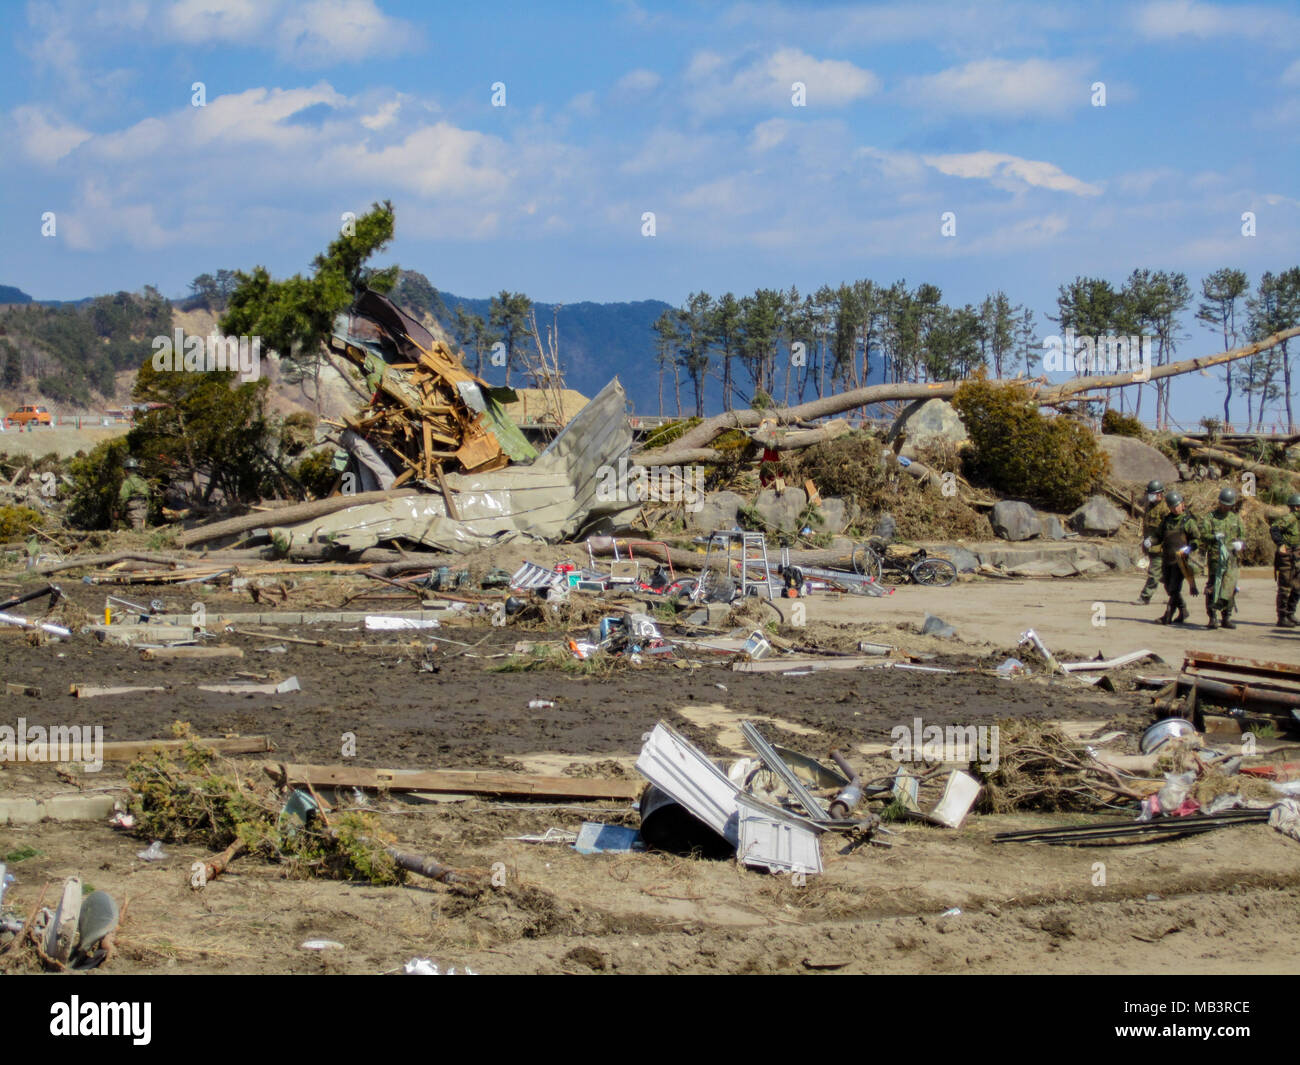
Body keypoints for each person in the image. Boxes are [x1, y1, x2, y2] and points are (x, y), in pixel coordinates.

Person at [1199, 485, 1245, 629]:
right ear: (1219, 502)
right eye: (1224, 504)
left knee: (1229, 588)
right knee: (1213, 587)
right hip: (1215, 558)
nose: (1226, 507)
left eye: (1229, 505)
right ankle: (1212, 617)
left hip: (1231, 558)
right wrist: (1213, 537)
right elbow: (1203, 536)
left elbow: (1242, 536)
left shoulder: (1235, 519)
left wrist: (1240, 544)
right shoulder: (1210, 518)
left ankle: (1226, 617)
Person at [1154, 490, 1199, 625]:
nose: (1175, 508)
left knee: (1174, 589)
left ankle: (1167, 616)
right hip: (1167, 559)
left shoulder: (1188, 521)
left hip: (1180, 561)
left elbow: (1197, 539)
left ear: (1182, 504)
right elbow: (1158, 536)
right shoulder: (1167, 521)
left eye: (1177, 505)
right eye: (1172, 506)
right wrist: (1151, 541)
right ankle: (1183, 610)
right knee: (1169, 588)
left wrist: (1190, 547)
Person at [1270, 493, 1300, 627]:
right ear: (1296, 508)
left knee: (1297, 586)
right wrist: (1281, 544)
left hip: (1298, 556)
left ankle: (1290, 613)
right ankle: (1282, 616)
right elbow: (1274, 529)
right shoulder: (1290, 519)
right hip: (1287, 556)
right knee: (1285, 587)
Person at [1137, 479, 1168, 605]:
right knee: (1163, 576)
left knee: (1154, 573)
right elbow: (1146, 527)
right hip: (1151, 546)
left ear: (1160, 494)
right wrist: (1145, 542)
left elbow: (1168, 529)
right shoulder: (1149, 507)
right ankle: (1175, 594)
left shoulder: (1165, 509)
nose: (1150, 496)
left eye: (1153, 494)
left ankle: (1145, 597)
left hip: (1161, 547)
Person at [118, 457, 150, 531]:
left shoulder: (127, 482)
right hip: (144, 511)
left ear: (126, 470)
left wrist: (118, 510)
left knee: (137, 535)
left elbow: (122, 497)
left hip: (134, 512)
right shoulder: (142, 481)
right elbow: (148, 496)